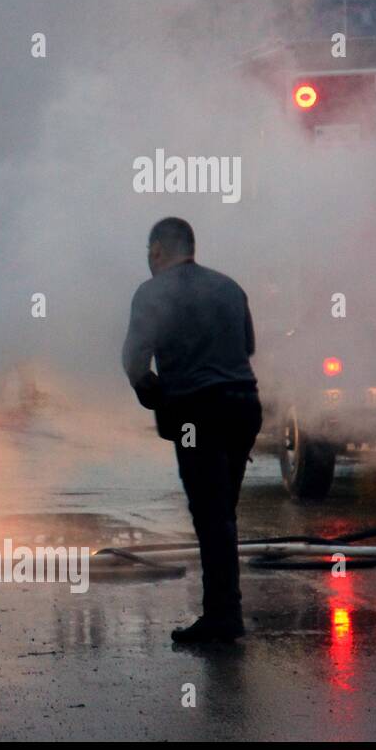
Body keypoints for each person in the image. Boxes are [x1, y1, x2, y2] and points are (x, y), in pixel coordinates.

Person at [122, 217, 262, 644]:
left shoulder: (152, 292)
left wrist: (158, 399)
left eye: (150, 253)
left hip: (194, 417)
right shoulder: (229, 287)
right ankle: (225, 612)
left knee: (211, 513)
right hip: (243, 407)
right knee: (221, 512)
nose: (149, 261)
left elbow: (135, 363)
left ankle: (224, 618)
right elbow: (248, 347)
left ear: (159, 251)